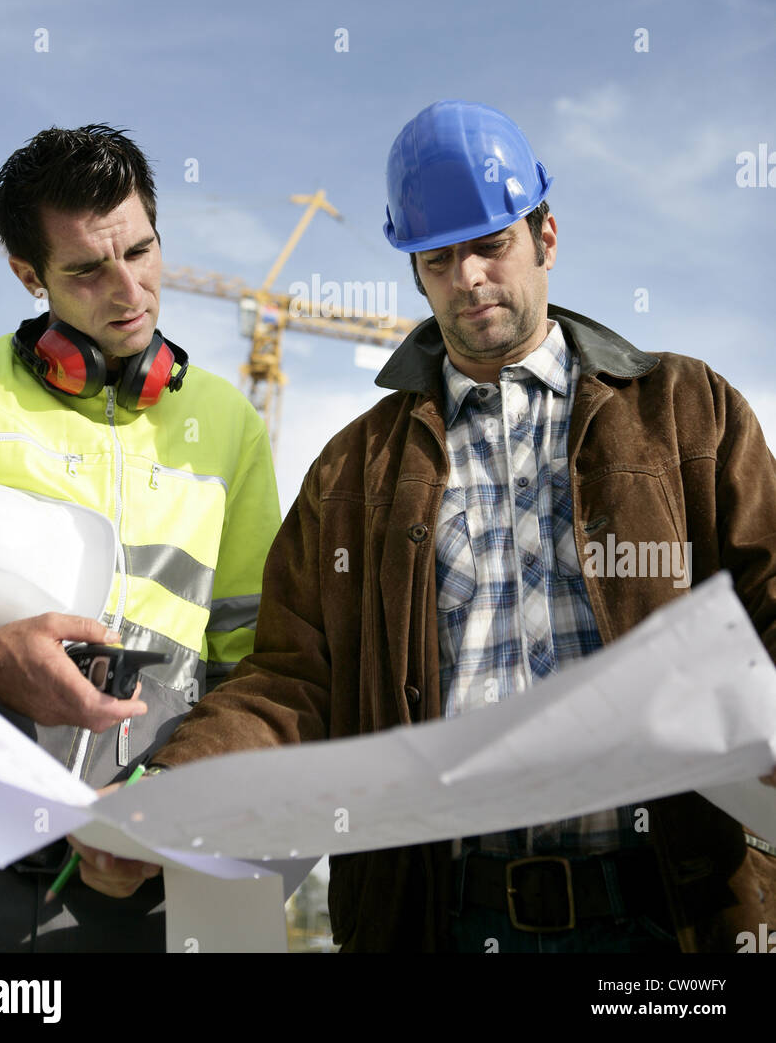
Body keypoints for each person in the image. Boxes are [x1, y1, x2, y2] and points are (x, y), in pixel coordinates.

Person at [71, 101, 776, 954]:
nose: (469, 277)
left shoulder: (685, 410)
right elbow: (293, 682)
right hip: (443, 915)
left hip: (675, 906)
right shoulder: (350, 473)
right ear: (414, 273)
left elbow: (767, 598)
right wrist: (170, 788)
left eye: (491, 245)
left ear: (545, 236)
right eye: (438, 258)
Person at [0, 123, 281, 952]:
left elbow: (260, 666)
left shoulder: (231, 425)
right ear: (26, 274)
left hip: (157, 872)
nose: (130, 291)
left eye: (142, 251)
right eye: (85, 270)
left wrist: (183, 797)